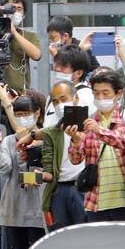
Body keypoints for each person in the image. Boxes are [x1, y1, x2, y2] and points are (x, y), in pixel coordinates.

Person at [67, 68, 125, 223]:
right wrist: (75, 140)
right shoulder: (89, 120)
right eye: (96, 93)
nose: (100, 97)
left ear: (119, 94)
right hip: (96, 200)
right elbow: (76, 159)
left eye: (105, 93)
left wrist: (99, 131)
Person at [0, 95, 48, 249]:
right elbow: (6, 170)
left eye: (27, 114)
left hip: (37, 208)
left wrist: (34, 174)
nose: (23, 118)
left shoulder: (44, 138)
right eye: (19, 114)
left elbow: (47, 175)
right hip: (14, 208)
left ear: (37, 113)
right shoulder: (8, 141)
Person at [38, 80, 87, 231]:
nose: (59, 104)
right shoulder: (51, 133)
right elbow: (49, 172)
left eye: (63, 99)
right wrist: (35, 177)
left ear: (75, 98)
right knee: (60, 238)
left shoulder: (91, 125)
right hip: (59, 190)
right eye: (55, 101)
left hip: (85, 189)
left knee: (86, 235)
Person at [0, 0, 41, 92]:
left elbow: (36, 55)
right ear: (1, 10)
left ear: (24, 14)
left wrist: (14, 32)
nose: (14, 12)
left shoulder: (29, 36)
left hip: (19, 95)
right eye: (10, 8)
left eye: (19, 9)